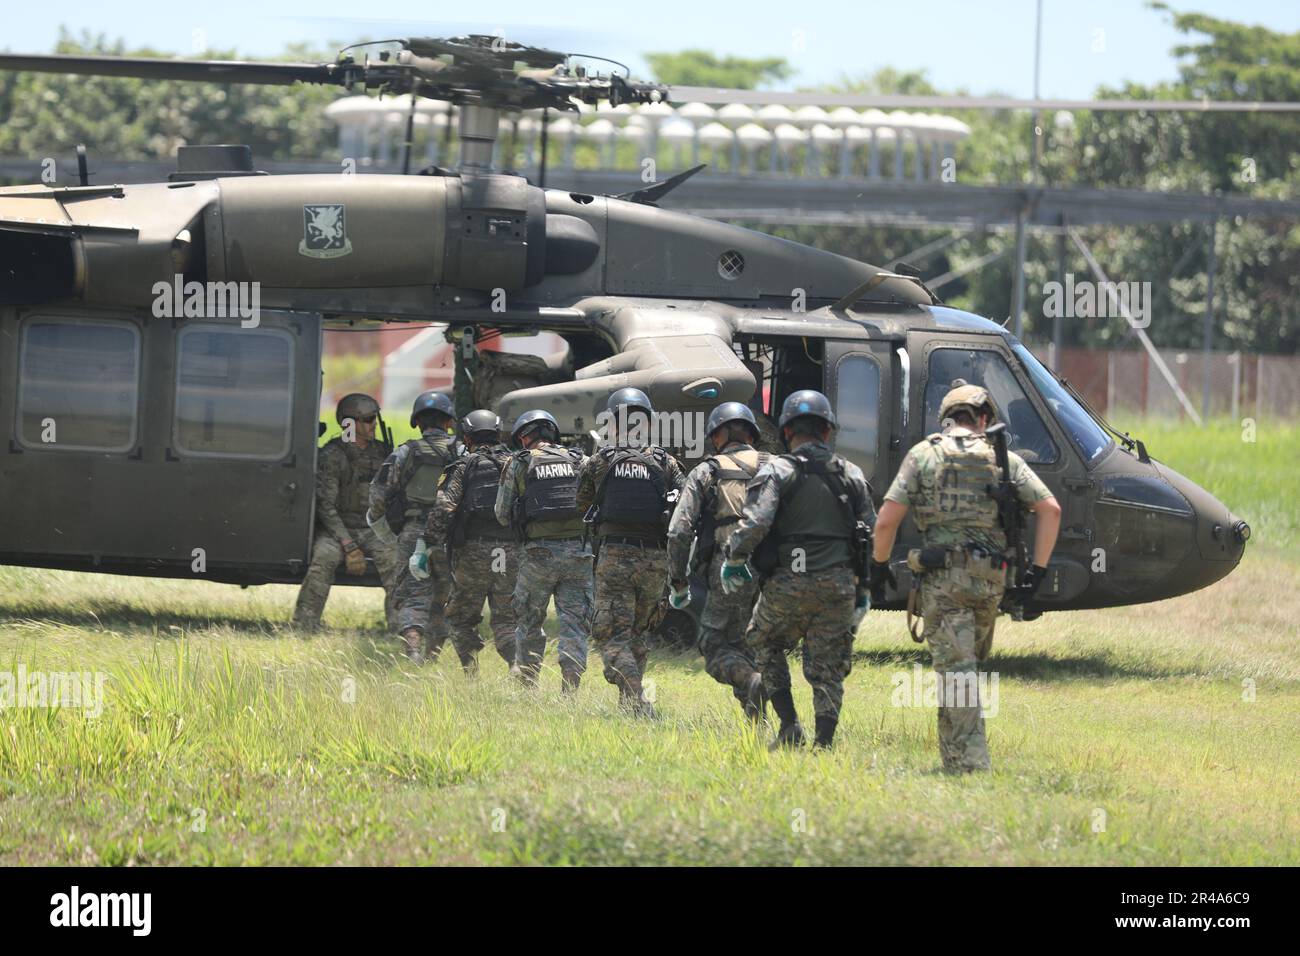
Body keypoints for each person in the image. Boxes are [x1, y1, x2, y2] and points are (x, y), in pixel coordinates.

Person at [870, 383, 1061, 773]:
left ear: (948, 418)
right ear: (984, 419)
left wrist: (878, 566)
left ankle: (974, 767)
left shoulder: (925, 454)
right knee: (956, 669)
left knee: (957, 674)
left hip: (944, 583)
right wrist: (1038, 573)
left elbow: (887, 519)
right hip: (990, 584)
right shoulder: (1004, 461)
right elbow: (1050, 510)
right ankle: (954, 762)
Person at [721, 390, 874, 750]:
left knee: (763, 639)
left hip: (789, 579)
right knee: (829, 664)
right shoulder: (851, 474)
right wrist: (864, 588)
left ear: (787, 432)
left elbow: (756, 522)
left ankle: (789, 725)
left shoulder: (778, 470)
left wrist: (735, 559)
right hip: (838, 585)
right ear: (827, 432)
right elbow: (871, 531)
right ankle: (824, 742)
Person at [577, 388, 686, 716]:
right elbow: (682, 501)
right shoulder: (666, 462)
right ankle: (631, 708)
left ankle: (639, 699)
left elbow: (581, 504)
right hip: (655, 561)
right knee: (637, 633)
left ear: (613, 423)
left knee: (610, 634)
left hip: (616, 558)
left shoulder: (600, 461)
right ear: (648, 423)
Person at [665, 402, 768, 721]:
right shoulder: (777, 466)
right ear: (751, 434)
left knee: (714, 645)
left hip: (728, 568)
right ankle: (758, 717)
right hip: (777, 567)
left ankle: (752, 682)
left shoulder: (707, 471)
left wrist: (678, 580)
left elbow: (679, 532)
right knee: (750, 641)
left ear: (717, 436)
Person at [494, 409, 593, 691]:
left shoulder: (520, 462)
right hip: (579, 554)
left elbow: (502, 513)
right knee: (574, 624)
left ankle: (528, 686)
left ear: (524, 438)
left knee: (529, 620)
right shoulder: (580, 460)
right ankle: (570, 690)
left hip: (538, 555)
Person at [292, 393, 399, 631]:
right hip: (337, 529)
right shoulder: (332, 456)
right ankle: (304, 626)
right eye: (369, 419)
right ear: (350, 423)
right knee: (324, 559)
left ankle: (402, 630)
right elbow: (326, 506)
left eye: (375, 419)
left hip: (373, 528)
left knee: (396, 561)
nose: (374, 425)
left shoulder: (383, 453)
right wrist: (349, 545)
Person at [422, 409, 517, 674]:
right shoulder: (516, 464)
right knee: (508, 618)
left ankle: (471, 671)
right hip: (510, 552)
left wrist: (428, 541)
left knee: (461, 618)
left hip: (473, 552)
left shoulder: (462, 467)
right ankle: (516, 665)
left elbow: (444, 508)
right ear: (498, 434)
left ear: (466, 438)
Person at [367, 390, 457, 663]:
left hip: (413, 531)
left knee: (412, 595)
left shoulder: (405, 452)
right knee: (444, 596)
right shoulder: (460, 452)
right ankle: (433, 657)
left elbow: (378, 495)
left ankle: (413, 652)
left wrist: (387, 532)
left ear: (417, 422)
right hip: (450, 536)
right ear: (448, 422)